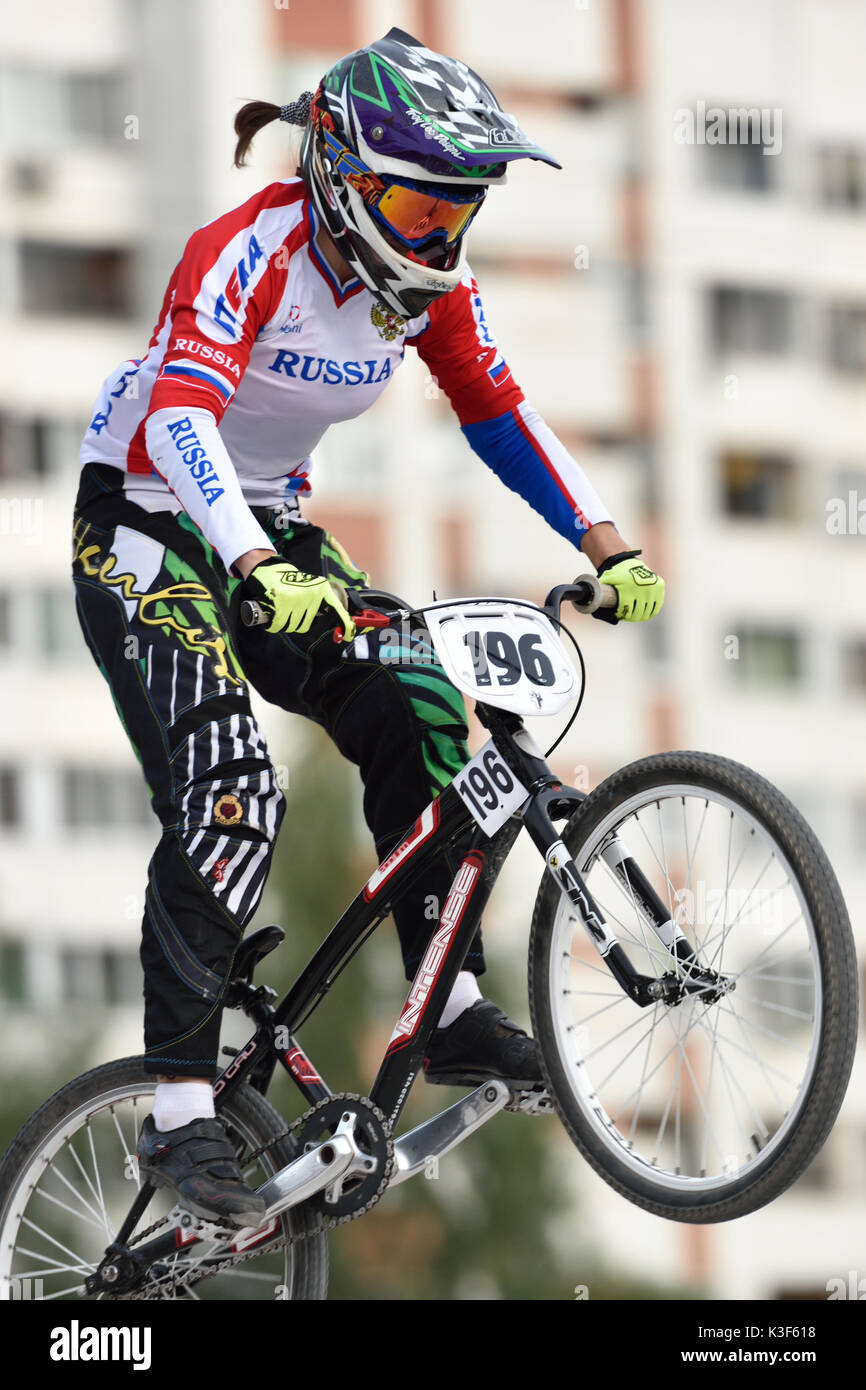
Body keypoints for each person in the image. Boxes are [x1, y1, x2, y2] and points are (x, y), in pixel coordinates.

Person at [72, 27, 665, 1229]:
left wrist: (604, 539)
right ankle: (181, 1116)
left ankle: (443, 1010)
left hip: (269, 527)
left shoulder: (426, 289)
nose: (436, 238)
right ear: (339, 174)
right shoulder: (247, 249)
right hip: (146, 517)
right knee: (230, 788)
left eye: (456, 214)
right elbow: (184, 420)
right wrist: (246, 558)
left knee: (431, 699)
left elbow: (498, 413)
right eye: (412, 204)